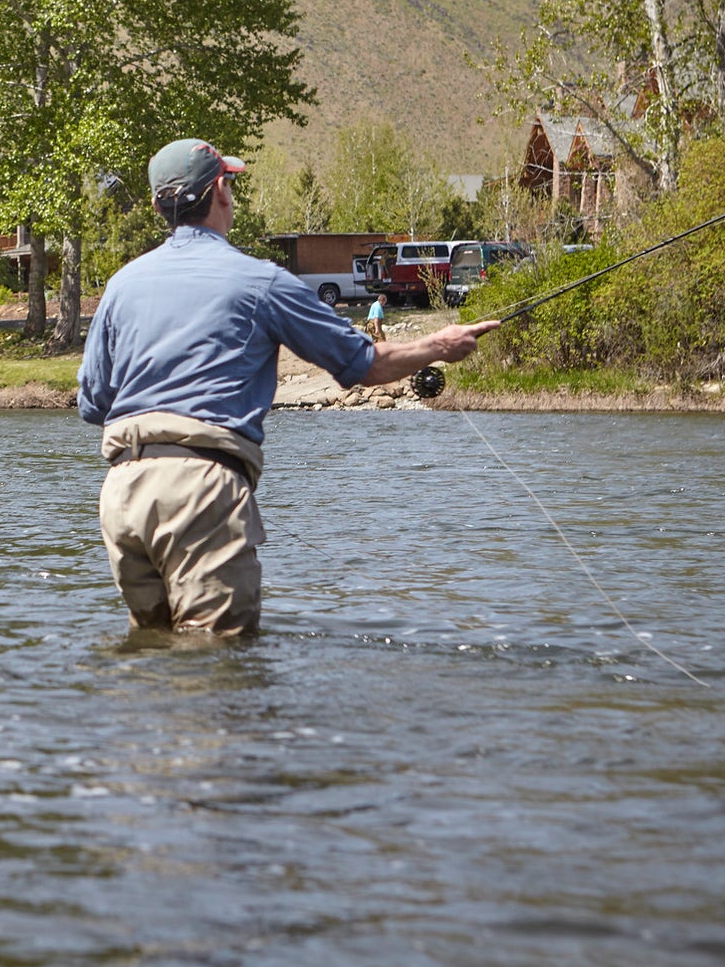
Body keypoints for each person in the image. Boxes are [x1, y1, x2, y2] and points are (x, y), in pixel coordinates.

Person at [76, 138, 499, 637]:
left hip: (122, 492)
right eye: (229, 183)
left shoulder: (122, 285)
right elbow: (364, 365)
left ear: (157, 206)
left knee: (151, 656)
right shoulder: (260, 281)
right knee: (217, 666)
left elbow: (93, 401)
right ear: (221, 192)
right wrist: (439, 345)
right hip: (200, 489)